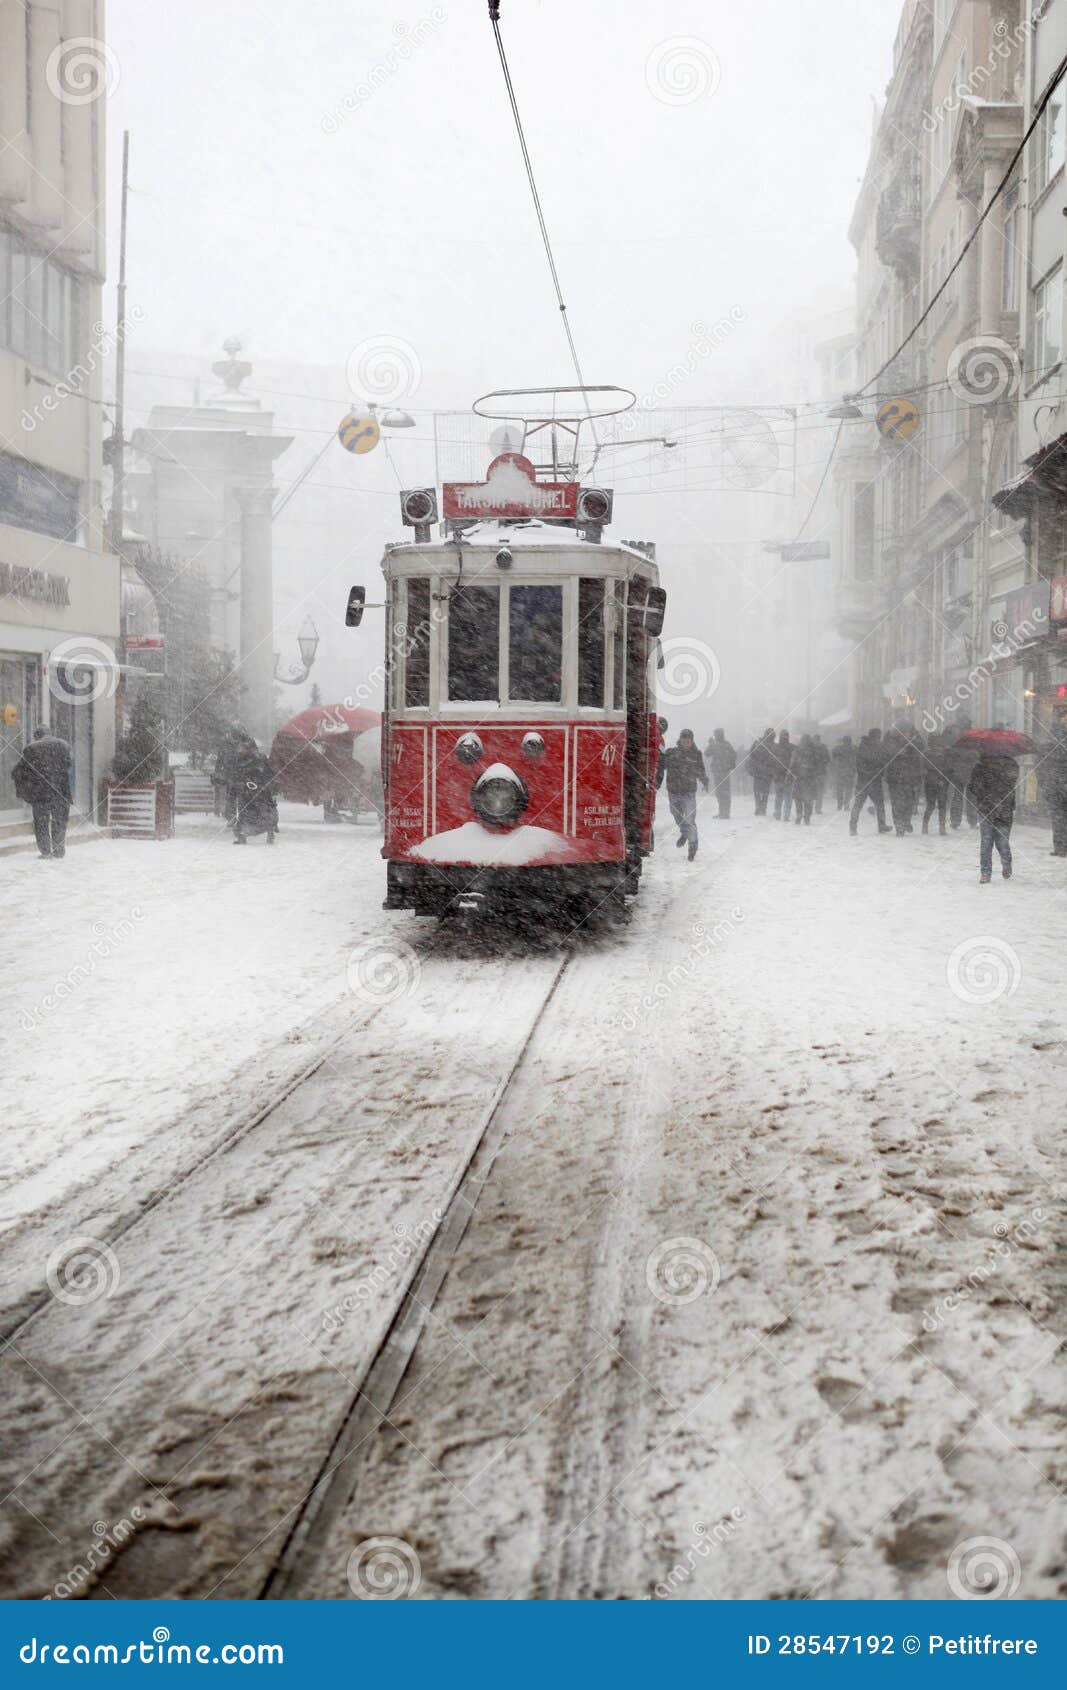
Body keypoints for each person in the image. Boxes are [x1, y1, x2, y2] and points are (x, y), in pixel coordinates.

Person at [12, 726, 73, 859]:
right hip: (61, 792)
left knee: (41, 824)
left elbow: (17, 771)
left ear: (36, 736)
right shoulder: (63, 746)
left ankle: (45, 852)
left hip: (40, 793)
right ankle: (58, 850)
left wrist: (26, 787)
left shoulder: (31, 749)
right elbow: (68, 765)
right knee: (59, 822)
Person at [967, 747, 1018, 883]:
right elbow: (972, 786)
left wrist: (995, 773)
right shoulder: (979, 767)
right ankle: (985, 872)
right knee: (986, 841)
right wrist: (984, 791)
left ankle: (1006, 865)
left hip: (1004, 808)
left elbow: (1011, 783)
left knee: (1002, 842)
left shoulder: (1010, 764)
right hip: (986, 808)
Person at [657, 727, 708, 861]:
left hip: (689, 792)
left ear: (692, 741)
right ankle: (684, 832)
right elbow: (661, 765)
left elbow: (700, 770)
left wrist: (705, 781)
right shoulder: (671, 753)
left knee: (690, 820)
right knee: (677, 816)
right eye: (684, 740)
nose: (686, 743)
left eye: (688, 741)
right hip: (673, 792)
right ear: (680, 740)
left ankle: (693, 845)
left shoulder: (696, 754)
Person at [230, 735, 279, 845]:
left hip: (259, 791)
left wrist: (267, 786)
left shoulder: (259, 759)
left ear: (250, 748)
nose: (240, 749)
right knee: (245, 814)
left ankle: (268, 831)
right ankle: (243, 835)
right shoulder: (240, 759)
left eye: (242, 747)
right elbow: (236, 775)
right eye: (240, 747)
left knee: (260, 813)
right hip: (246, 791)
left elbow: (268, 774)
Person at [849, 729, 891, 835]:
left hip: (870, 781)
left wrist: (881, 769)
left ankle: (881, 825)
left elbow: (881, 762)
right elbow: (859, 765)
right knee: (861, 805)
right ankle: (853, 827)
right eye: (878, 737)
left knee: (877, 805)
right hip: (866, 781)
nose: (879, 739)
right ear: (874, 737)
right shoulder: (865, 748)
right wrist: (872, 772)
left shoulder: (872, 747)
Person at [883, 725, 921, 835]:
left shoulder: (913, 743)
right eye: (904, 732)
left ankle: (905, 821)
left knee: (909, 802)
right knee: (897, 803)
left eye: (908, 732)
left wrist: (914, 738)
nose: (906, 734)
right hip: (896, 778)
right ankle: (899, 826)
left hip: (909, 778)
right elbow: (886, 756)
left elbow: (920, 751)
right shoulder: (891, 743)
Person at [1040, 715, 1067, 856]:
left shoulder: (1048, 745)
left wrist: (1043, 782)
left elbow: (1041, 765)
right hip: (1057, 784)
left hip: (1054, 786)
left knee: (1058, 818)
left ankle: (1060, 847)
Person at [920, 731, 951, 835]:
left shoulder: (941, 753)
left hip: (935, 782)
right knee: (937, 805)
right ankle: (938, 827)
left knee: (934, 805)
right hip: (935, 782)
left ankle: (929, 826)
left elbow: (947, 768)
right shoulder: (929, 754)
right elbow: (925, 770)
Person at [705, 728, 736, 819]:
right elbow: (707, 754)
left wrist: (711, 744)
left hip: (720, 771)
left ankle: (725, 813)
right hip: (722, 771)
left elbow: (707, 753)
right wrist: (730, 764)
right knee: (721, 792)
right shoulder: (726, 744)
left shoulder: (717, 744)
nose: (716, 736)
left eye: (716, 734)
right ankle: (723, 812)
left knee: (722, 792)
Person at [790, 733, 820, 826]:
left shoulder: (797, 750)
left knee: (798, 798)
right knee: (808, 798)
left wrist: (792, 774)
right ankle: (807, 817)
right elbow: (818, 765)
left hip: (799, 778)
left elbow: (793, 764)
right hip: (810, 779)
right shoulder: (814, 751)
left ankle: (799, 814)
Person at [747, 729, 776, 816]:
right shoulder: (773, 745)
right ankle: (763, 808)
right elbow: (775, 759)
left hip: (758, 771)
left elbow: (751, 753)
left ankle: (758, 807)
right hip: (768, 772)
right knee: (765, 791)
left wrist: (755, 763)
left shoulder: (758, 742)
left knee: (757, 790)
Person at [770, 729, 794, 820]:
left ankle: (777, 813)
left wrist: (773, 773)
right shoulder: (792, 747)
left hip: (778, 776)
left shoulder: (775, 748)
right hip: (788, 776)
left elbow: (771, 762)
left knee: (778, 796)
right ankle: (786, 815)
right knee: (788, 796)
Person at [831, 735, 856, 810]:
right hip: (850, 772)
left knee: (840, 789)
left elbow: (833, 756)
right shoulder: (853, 749)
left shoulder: (838, 748)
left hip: (840, 772)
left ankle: (839, 804)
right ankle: (846, 805)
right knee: (848, 789)